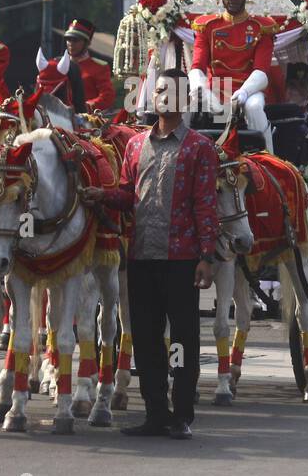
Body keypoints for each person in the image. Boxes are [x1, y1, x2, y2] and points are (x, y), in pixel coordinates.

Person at [82, 68, 219, 439]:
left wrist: (207, 256)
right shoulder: (134, 146)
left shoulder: (200, 148)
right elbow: (129, 194)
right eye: (159, 91)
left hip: (183, 260)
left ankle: (182, 414)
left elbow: (206, 206)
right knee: (144, 337)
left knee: (182, 341)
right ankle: (155, 413)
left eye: (173, 92)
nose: (165, 98)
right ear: (151, 97)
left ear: (186, 100)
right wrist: (103, 196)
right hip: (142, 256)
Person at [189, 0, 276, 152]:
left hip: (248, 91)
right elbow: (197, 66)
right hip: (214, 90)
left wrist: (244, 93)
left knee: (254, 107)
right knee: (182, 103)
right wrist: (201, 89)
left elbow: (262, 71)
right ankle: (179, 155)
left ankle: (269, 158)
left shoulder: (262, 28)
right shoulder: (207, 27)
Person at [35, 19, 116, 112]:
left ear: (87, 43)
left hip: (87, 119)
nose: (71, 44)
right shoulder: (55, 65)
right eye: (68, 39)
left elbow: (107, 96)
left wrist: (86, 107)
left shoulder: (99, 67)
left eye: (76, 40)